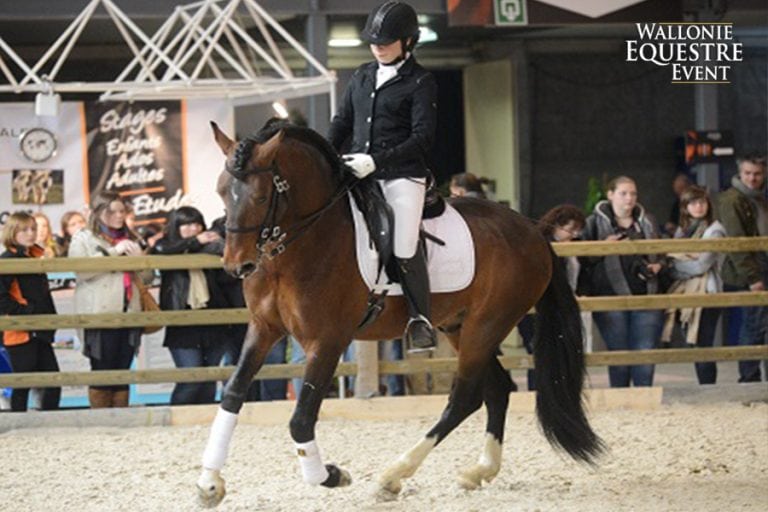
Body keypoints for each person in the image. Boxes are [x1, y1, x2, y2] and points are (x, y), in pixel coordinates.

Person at [328, 1, 438, 352]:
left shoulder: (420, 81)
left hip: (401, 176)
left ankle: (420, 319)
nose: (378, 47)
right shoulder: (362, 75)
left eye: (386, 42)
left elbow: (422, 138)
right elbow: (342, 122)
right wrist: (326, 157)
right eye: (374, 41)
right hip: (357, 171)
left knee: (403, 243)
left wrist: (376, 161)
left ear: (409, 42)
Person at [578, 176, 664, 388]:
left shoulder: (648, 221)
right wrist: (602, 247)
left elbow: (663, 251)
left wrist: (659, 264)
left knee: (645, 353)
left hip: (647, 294)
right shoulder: (593, 222)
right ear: (610, 195)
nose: (629, 198)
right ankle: (621, 397)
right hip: (609, 297)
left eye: (633, 193)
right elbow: (581, 259)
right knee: (618, 354)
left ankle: (644, 398)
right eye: (623, 193)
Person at [68, 191, 145, 408]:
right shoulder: (83, 238)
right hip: (99, 314)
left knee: (123, 370)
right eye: (112, 211)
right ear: (98, 212)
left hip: (130, 312)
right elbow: (81, 271)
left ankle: (120, 418)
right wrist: (113, 252)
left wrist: (140, 260)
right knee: (102, 369)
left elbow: (147, 278)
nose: (119, 216)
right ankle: (101, 419)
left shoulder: (132, 237)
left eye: (122, 211)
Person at [151, 206, 233, 405]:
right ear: (176, 226)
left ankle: (204, 419)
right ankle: (176, 417)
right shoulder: (165, 244)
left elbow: (225, 252)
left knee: (209, 380)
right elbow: (161, 250)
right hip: (182, 322)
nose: (193, 228)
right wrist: (196, 242)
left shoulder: (209, 246)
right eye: (186, 224)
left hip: (213, 318)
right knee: (190, 379)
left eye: (197, 224)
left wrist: (214, 241)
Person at [661, 186, 726, 384]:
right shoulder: (682, 229)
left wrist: (677, 264)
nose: (698, 206)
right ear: (685, 207)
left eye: (702, 202)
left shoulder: (715, 230)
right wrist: (678, 262)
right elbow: (671, 260)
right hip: (684, 291)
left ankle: (708, 387)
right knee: (693, 342)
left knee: (702, 343)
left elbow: (700, 265)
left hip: (708, 290)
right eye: (693, 203)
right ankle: (704, 384)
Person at [518, 204, 586, 390]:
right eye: (571, 229)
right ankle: (536, 389)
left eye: (578, 230)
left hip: (561, 307)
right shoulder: (541, 244)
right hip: (539, 307)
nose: (574, 234)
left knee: (557, 352)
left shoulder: (573, 247)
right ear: (557, 225)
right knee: (538, 351)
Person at [0, 212, 61, 411]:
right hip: (19, 332)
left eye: (33, 229)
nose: (31, 233)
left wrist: (49, 319)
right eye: (24, 229)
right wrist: (27, 311)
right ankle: (20, 422)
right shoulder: (7, 259)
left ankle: (48, 420)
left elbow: (43, 295)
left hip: (40, 329)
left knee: (53, 381)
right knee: (22, 385)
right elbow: (1, 298)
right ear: (12, 232)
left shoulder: (35, 257)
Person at [717, 153, 768, 383]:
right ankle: (749, 379)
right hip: (751, 270)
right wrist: (753, 278)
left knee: (760, 325)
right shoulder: (732, 200)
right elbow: (737, 244)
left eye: (757, 174)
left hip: (762, 264)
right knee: (753, 326)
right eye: (747, 173)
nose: (752, 178)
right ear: (739, 173)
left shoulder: (760, 197)